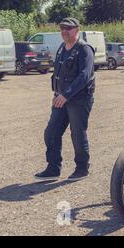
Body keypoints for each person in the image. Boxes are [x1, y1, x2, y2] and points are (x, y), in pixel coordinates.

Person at [35, 17, 95, 182]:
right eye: (62, 28)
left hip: (79, 99)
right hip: (60, 98)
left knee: (77, 133)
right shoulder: (62, 47)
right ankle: (53, 168)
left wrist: (66, 94)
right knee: (51, 132)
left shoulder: (84, 49)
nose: (64, 31)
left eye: (68, 28)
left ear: (77, 29)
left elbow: (85, 75)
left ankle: (82, 168)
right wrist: (59, 94)